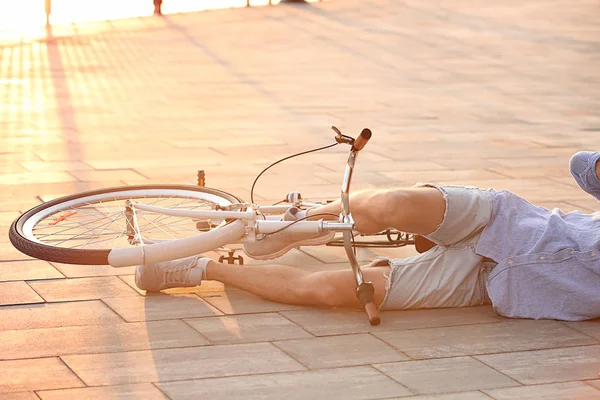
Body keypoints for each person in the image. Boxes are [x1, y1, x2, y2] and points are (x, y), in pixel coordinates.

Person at [135, 151, 600, 321]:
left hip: (496, 285)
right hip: (502, 219)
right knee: (387, 207)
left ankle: (198, 267)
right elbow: (583, 164)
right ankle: (296, 226)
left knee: (335, 292)